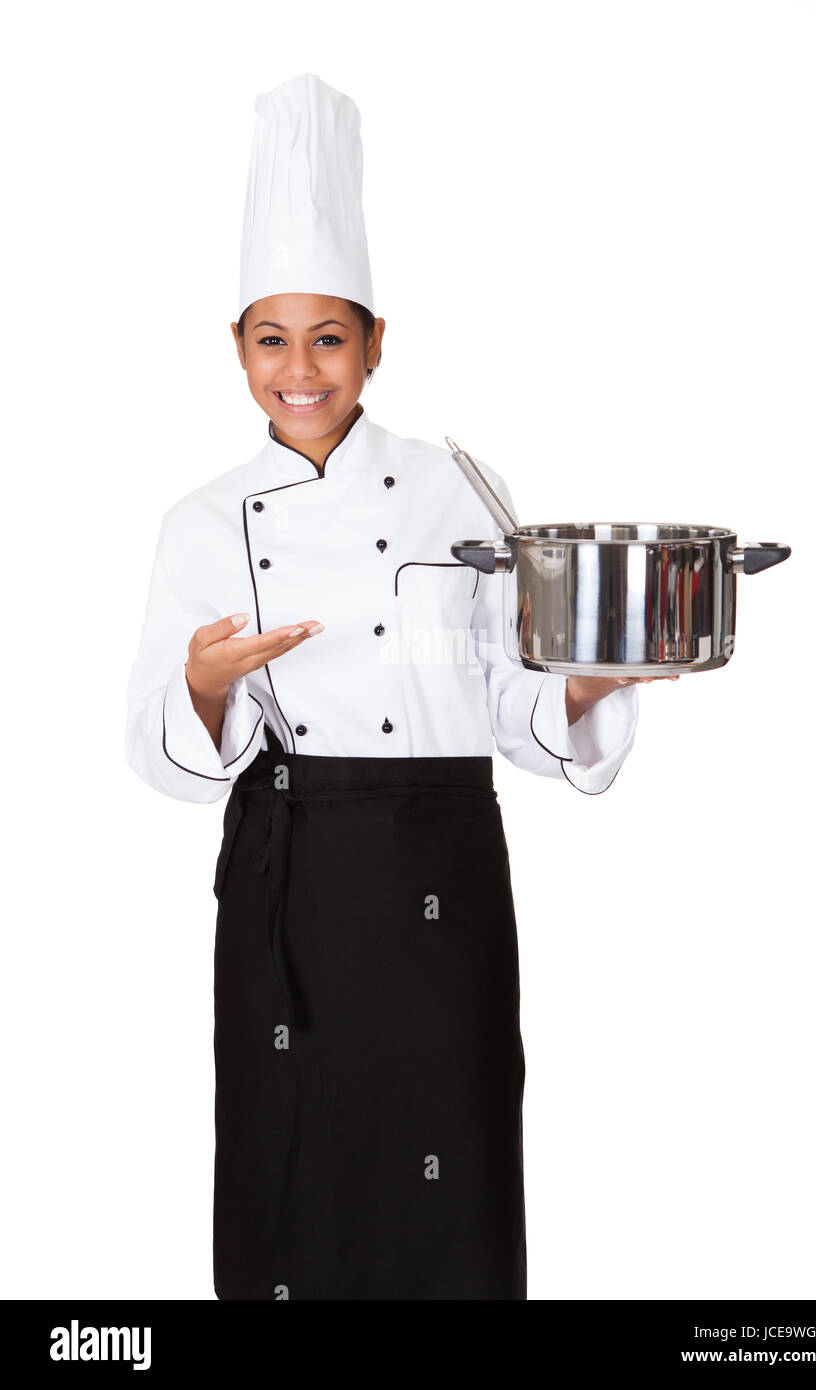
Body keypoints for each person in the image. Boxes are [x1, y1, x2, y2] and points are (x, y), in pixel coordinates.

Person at [125, 73, 678, 1301]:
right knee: (295, 1144)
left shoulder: (456, 488)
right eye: (271, 338)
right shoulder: (202, 522)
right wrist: (205, 685)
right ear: (236, 349)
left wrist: (584, 683)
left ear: (377, 343)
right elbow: (163, 756)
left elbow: (515, 704)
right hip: (294, 866)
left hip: (441, 858)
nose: (299, 367)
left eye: (328, 336)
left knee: (456, 1132)